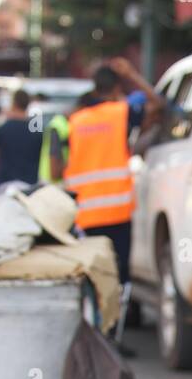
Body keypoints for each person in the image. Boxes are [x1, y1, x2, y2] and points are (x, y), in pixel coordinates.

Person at [64, 59, 160, 304]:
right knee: (118, 278)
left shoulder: (75, 120)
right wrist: (132, 74)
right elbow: (158, 105)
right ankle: (112, 332)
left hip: (83, 214)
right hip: (117, 213)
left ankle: (92, 326)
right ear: (117, 89)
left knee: (90, 275)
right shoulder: (121, 113)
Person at [0, 89, 43, 188]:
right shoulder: (37, 130)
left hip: (5, 184)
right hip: (29, 185)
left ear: (13, 103)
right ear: (28, 104)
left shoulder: (3, 128)